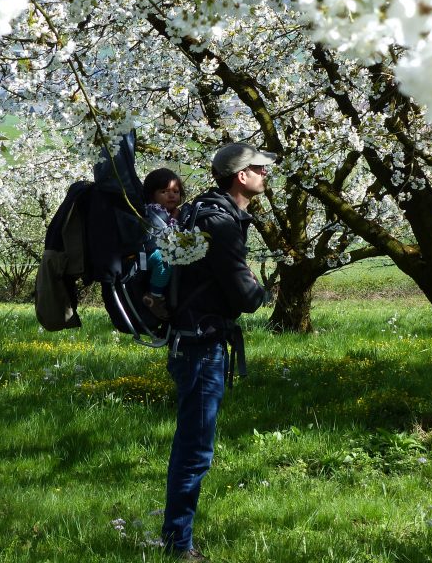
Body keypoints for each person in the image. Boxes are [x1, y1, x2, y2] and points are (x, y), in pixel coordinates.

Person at [160, 142, 275, 560]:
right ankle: (177, 544)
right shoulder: (222, 222)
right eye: (260, 169)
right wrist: (260, 289)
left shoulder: (206, 210)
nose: (266, 175)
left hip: (190, 339)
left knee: (190, 443)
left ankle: (175, 531)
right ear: (241, 176)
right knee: (196, 448)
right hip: (201, 343)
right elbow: (244, 295)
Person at [142, 168, 185, 316]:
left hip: (149, 252)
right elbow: (168, 234)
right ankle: (154, 296)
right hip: (147, 254)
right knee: (165, 261)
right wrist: (175, 217)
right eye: (164, 191)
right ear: (152, 194)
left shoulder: (162, 210)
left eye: (176, 191)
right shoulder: (155, 209)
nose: (171, 195)